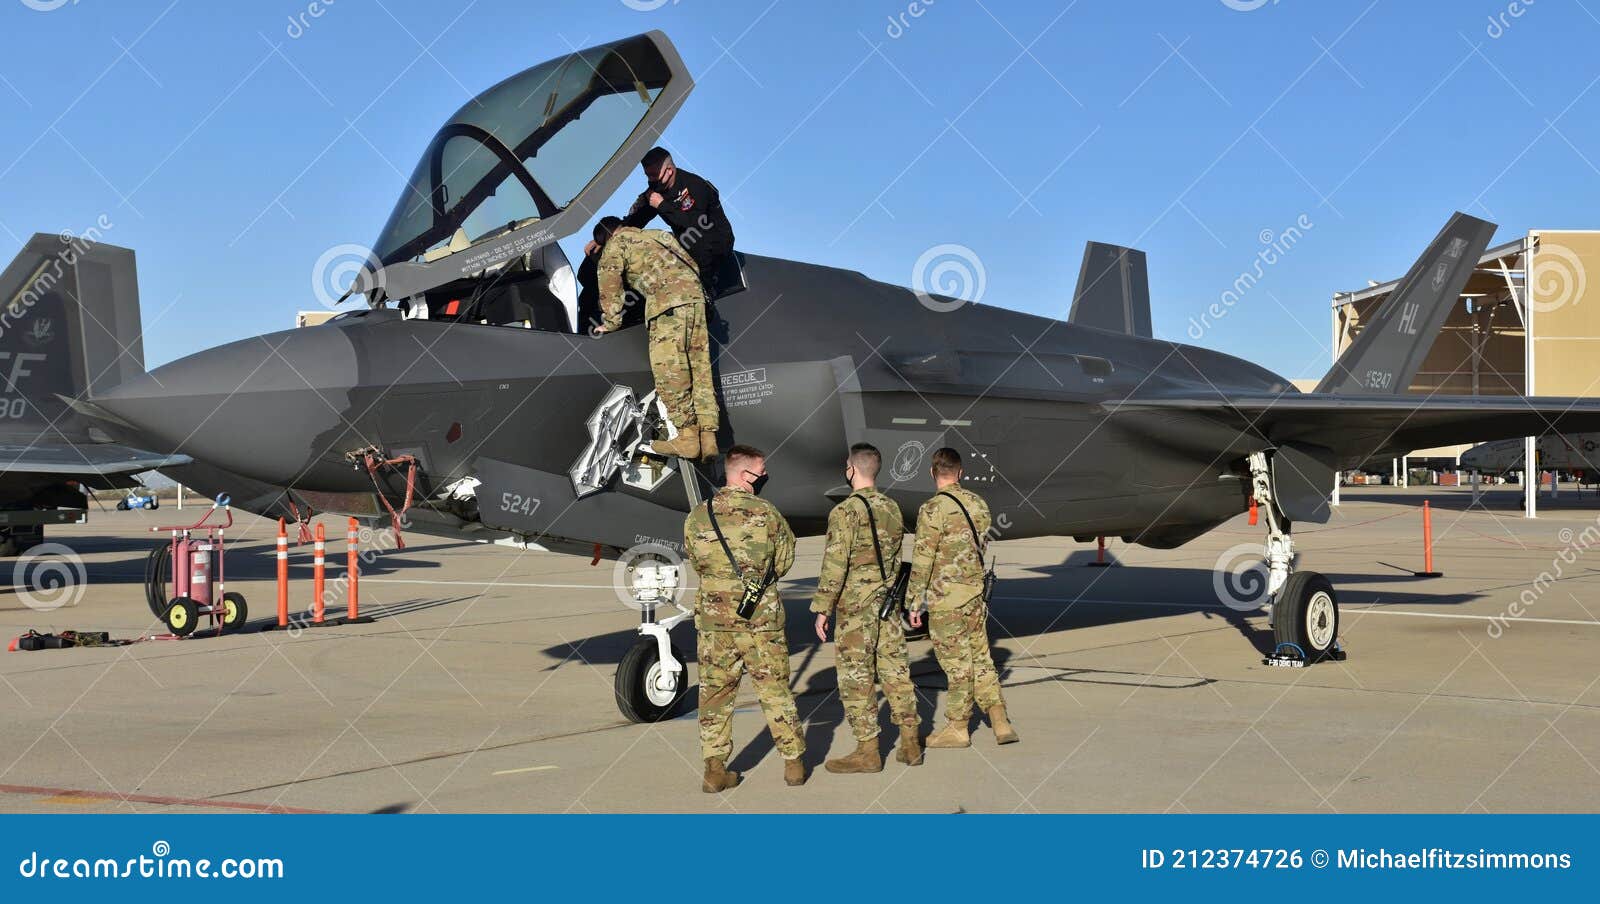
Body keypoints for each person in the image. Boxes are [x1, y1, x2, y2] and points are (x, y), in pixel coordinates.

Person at [683, 444, 807, 791]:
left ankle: (714, 769)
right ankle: (793, 764)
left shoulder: (698, 515)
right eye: (761, 471)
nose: (765, 476)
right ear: (744, 474)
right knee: (774, 689)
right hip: (760, 620)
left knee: (714, 695)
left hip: (714, 621)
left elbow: (696, 561)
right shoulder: (767, 513)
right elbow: (784, 560)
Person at [811, 443, 921, 773]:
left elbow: (835, 562)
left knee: (856, 679)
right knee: (896, 673)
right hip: (887, 605)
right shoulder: (892, 508)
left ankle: (868, 751)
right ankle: (911, 742)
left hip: (856, 608)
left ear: (852, 469)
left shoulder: (844, 512)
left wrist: (822, 607)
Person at [907, 446, 1018, 749]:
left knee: (958, 667)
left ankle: (957, 727)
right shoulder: (978, 504)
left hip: (946, 601)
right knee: (981, 659)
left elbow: (923, 560)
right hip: (974, 595)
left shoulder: (932, 509)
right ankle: (999, 720)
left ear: (933, 473)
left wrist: (915, 603)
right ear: (960, 473)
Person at [593, 225, 718, 461]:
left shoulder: (616, 244)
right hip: (694, 299)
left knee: (669, 370)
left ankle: (688, 436)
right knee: (699, 367)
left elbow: (609, 283)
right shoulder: (656, 234)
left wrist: (611, 322)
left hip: (666, 303)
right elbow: (691, 262)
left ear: (605, 237)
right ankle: (708, 437)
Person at [620, 147, 735, 295]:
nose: (651, 180)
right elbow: (636, 219)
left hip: (714, 246)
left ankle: (705, 290)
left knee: (690, 237)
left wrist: (662, 205)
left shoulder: (695, 185)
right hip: (688, 245)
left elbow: (694, 223)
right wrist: (610, 233)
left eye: (654, 175)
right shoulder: (656, 190)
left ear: (669, 170)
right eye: (647, 175)